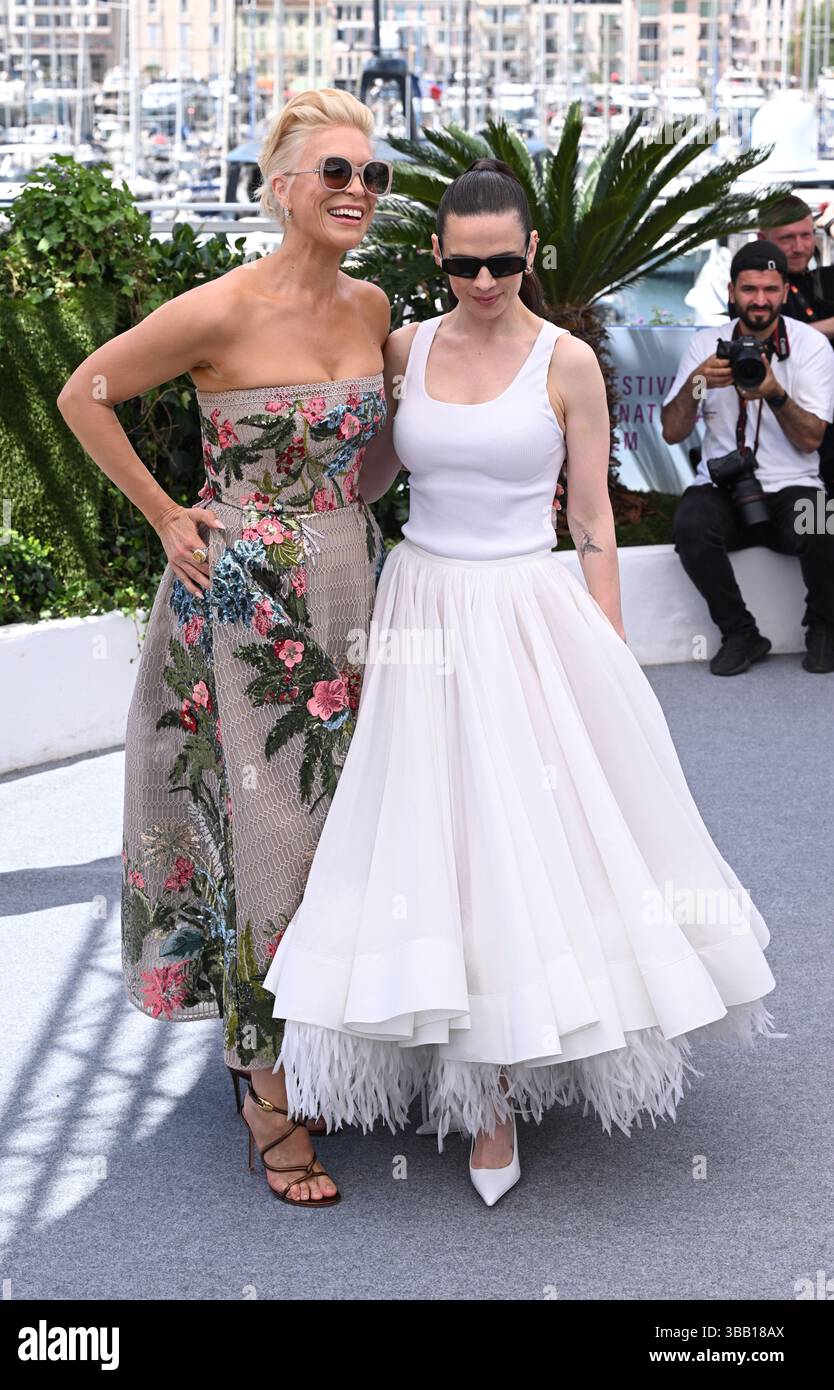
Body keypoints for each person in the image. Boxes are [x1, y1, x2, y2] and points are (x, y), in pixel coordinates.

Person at [262, 159, 779, 1207]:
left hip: (520, 610)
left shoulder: (568, 360)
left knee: (522, 838)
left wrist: (605, 653)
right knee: (429, 833)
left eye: (502, 261)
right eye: (463, 263)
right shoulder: (404, 345)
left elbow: (589, 516)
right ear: (439, 259)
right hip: (416, 610)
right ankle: (474, 1087)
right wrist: (277, 477)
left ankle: (507, 1066)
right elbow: (370, 477)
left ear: (529, 254)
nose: (484, 280)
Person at [56, 88, 395, 1205]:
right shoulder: (216, 310)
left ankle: (326, 1040)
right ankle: (263, 1088)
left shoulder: (371, 308)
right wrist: (165, 513)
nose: (356, 192)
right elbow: (84, 392)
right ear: (282, 187)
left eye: (371, 176)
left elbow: (376, 460)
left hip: (352, 584)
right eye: (334, 173)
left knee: (348, 829)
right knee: (269, 838)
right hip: (242, 605)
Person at [663, 239, 834, 677]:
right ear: (732, 290)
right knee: (691, 524)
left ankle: (823, 629)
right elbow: (672, 431)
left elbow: (812, 439)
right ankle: (740, 633)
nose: (760, 300)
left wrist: (775, 393)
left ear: (784, 290)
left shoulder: (810, 346)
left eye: (770, 289)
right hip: (722, 485)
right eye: (749, 289)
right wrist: (697, 384)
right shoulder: (705, 344)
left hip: (790, 485)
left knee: (824, 520)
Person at [754, 196, 834, 494]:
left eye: (807, 234)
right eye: (788, 238)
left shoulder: (822, 278)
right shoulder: (756, 288)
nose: (800, 247)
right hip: (792, 425)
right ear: (763, 239)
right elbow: (768, 337)